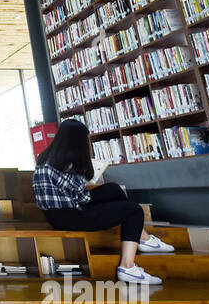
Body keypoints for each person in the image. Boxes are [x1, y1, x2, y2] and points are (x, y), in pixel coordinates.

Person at [32, 119, 172, 285]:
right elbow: (84, 198)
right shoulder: (64, 165)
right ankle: (127, 267)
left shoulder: (45, 158)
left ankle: (143, 238)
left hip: (57, 214)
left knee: (113, 189)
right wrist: (86, 176)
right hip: (72, 217)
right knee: (134, 210)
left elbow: (73, 194)